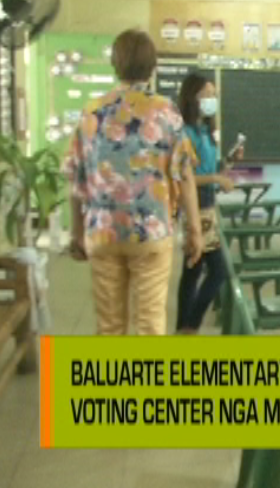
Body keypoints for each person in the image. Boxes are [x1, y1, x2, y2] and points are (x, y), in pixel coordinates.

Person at [63, 29, 203, 335]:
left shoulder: (92, 112)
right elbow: (185, 175)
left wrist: (76, 231)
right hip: (152, 231)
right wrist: (195, 231)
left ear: (115, 64)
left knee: (110, 326)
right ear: (153, 66)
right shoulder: (165, 111)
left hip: (103, 232)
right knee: (150, 324)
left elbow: (76, 177)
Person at [175, 73, 243, 334]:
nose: (212, 99)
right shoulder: (185, 133)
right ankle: (189, 325)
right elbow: (186, 178)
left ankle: (183, 328)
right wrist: (215, 177)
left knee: (193, 270)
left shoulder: (205, 131)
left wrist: (229, 162)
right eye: (206, 95)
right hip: (196, 207)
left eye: (214, 95)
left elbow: (211, 168)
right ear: (192, 98)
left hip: (207, 203)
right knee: (218, 270)